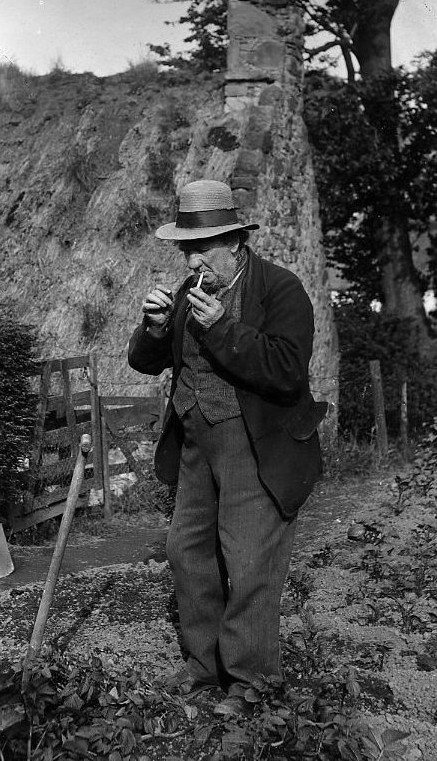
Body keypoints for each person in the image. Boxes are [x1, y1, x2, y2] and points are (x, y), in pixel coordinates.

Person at [128, 179, 327, 717]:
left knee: (249, 560)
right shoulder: (187, 292)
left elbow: (287, 372)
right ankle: (203, 667)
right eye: (185, 249)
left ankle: (251, 683)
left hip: (254, 445)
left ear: (236, 242)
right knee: (187, 552)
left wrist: (223, 329)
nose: (192, 260)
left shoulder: (279, 289)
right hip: (196, 443)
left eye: (202, 247)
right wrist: (153, 329)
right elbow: (147, 363)